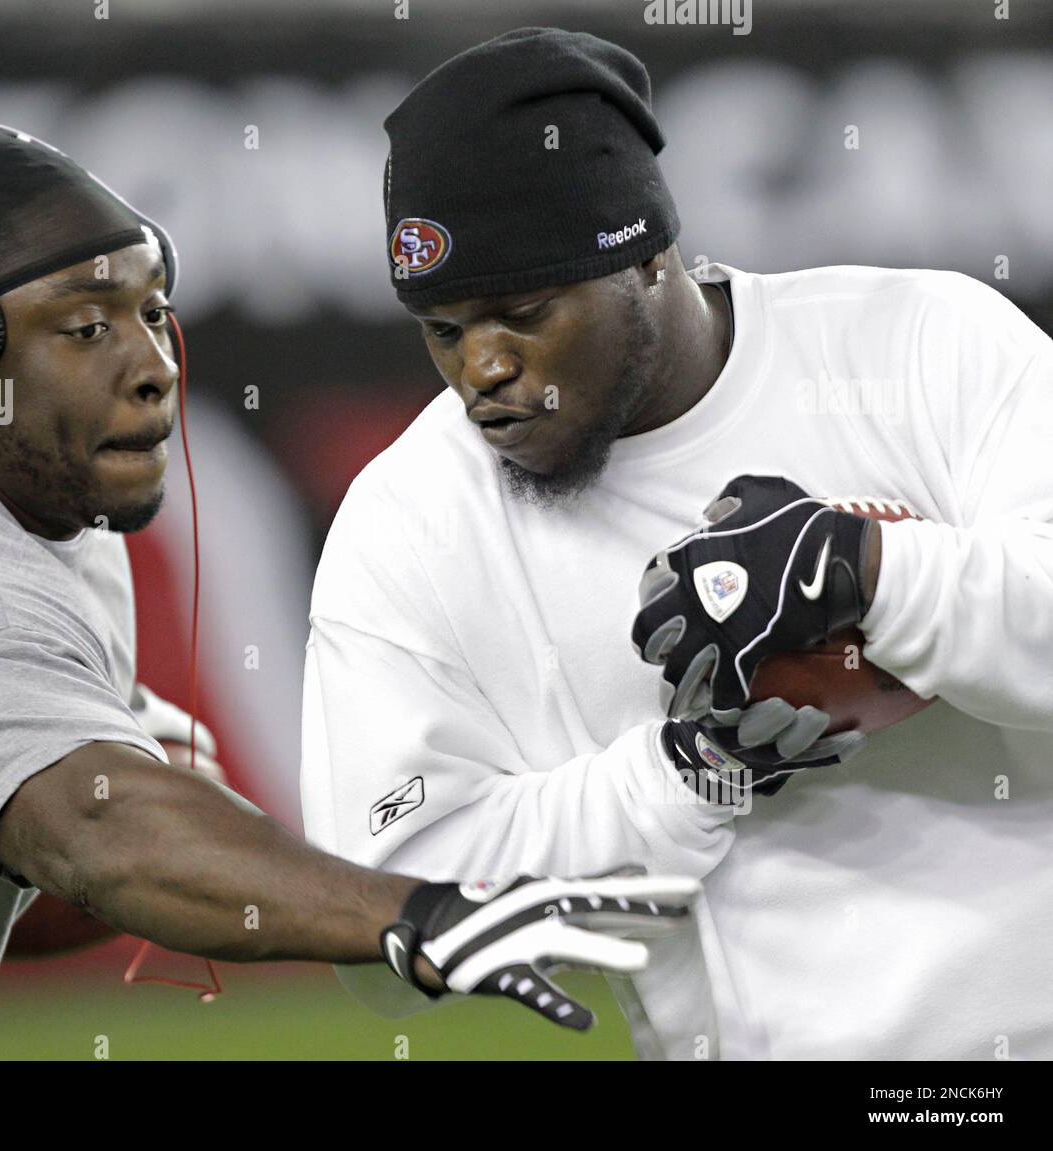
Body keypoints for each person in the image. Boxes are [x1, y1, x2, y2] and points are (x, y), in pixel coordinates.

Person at [0, 119, 699, 1060]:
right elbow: (101, 825)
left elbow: (47, 844)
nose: (156, 368)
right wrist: (419, 913)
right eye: (87, 327)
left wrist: (62, 803)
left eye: (153, 311)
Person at [300, 28, 1053, 1060]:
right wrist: (682, 772)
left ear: (649, 259)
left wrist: (868, 568)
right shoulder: (412, 521)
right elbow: (376, 916)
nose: (480, 367)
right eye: (440, 327)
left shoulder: (922, 342)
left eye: (522, 313)